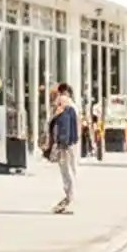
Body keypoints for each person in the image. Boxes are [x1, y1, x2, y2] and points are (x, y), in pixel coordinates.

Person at [45, 83, 79, 214]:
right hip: (69, 144)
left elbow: (64, 127)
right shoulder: (70, 106)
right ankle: (70, 196)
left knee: (67, 170)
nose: (55, 100)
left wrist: (61, 145)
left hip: (65, 145)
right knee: (69, 170)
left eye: (56, 95)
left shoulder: (65, 108)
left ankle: (70, 198)